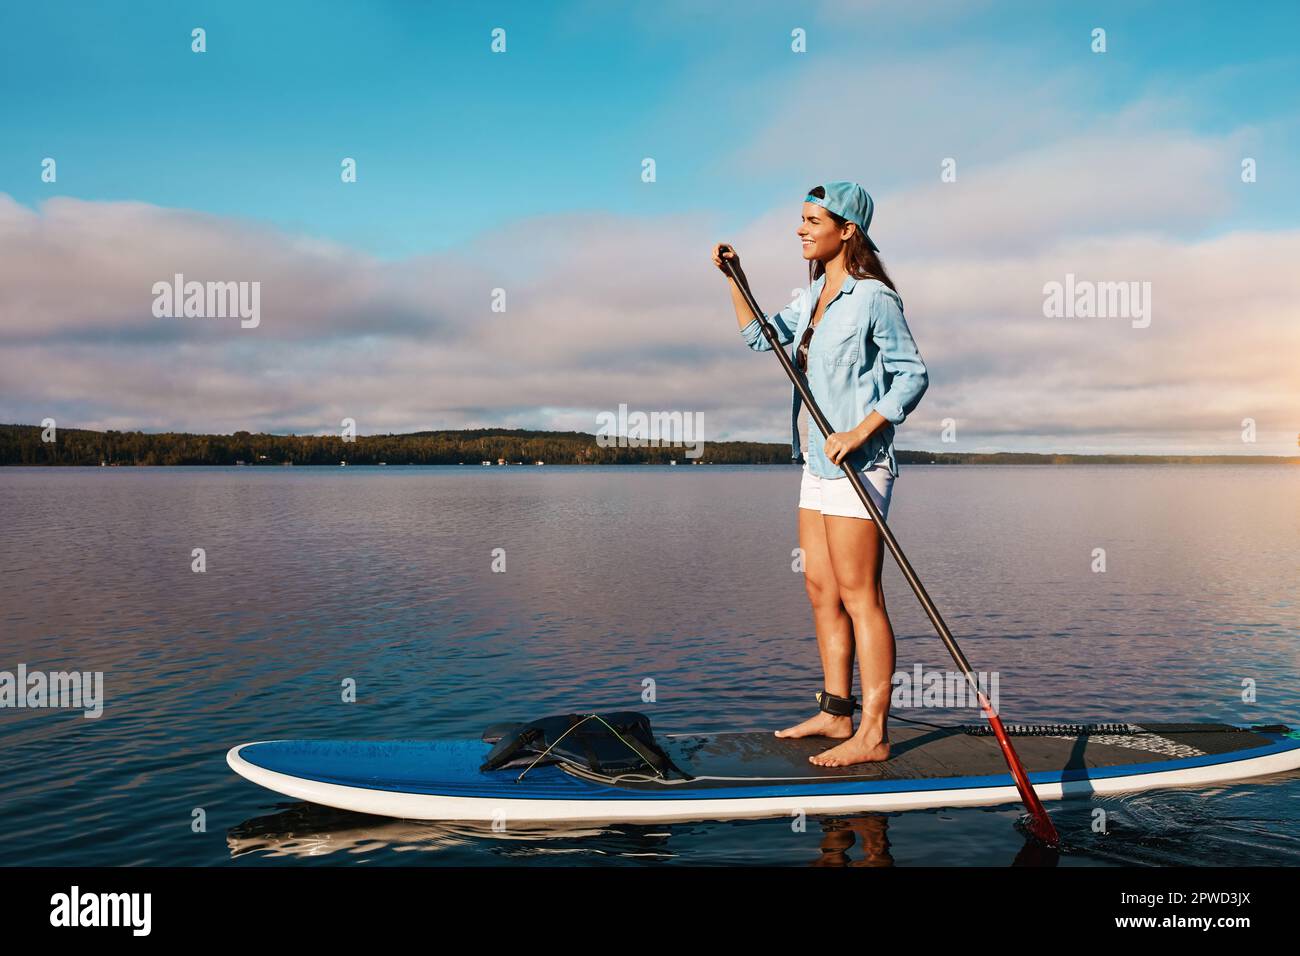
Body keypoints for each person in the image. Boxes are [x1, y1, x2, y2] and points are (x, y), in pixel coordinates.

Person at [713, 182, 929, 767]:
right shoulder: (810, 297)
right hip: (815, 463)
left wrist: (859, 431)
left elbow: (912, 376)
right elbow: (761, 336)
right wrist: (736, 280)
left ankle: (874, 733)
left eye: (812, 220)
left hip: (860, 465)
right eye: (800, 220)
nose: (802, 230)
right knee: (821, 591)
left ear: (847, 229)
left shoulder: (874, 299)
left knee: (863, 597)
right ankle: (837, 713)